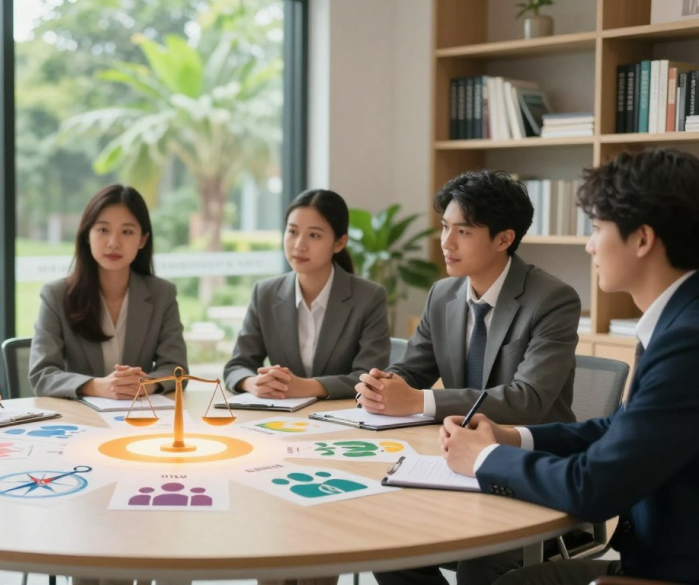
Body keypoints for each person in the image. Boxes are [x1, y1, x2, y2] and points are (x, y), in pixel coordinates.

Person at [442, 147, 699, 584]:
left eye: (598, 228)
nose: (589, 244)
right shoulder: (677, 319)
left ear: (642, 238)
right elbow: (615, 430)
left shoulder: (687, 339)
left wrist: (485, 457)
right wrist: (511, 436)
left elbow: (592, 488)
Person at [368, 170, 580, 585]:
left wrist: (419, 401)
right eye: (445, 227)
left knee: (479, 565)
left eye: (462, 231)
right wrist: (383, 383)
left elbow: (528, 398)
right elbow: (414, 369)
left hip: (527, 470)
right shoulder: (443, 294)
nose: (446, 242)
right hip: (451, 461)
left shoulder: (551, 300)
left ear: (504, 239)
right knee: (388, 543)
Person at [224, 189, 390, 402]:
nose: (299, 245)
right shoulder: (264, 293)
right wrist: (252, 383)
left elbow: (369, 378)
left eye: (314, 235)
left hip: (342, 418)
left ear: (339, 243)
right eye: (292, 232)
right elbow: (236, 366)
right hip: (280, 421)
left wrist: (306, 387)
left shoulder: (369, 297)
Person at [29, 184, 187, 400]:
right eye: (103, 230)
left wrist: (143, 384)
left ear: (142, 240)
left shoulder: (163, 294)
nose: (113, 243)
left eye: (127, 232)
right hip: (79, 420)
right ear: (87, 235)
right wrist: (97, 386)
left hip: (139, 415)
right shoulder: (56, 295)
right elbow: (42, 375)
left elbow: (176, 369)